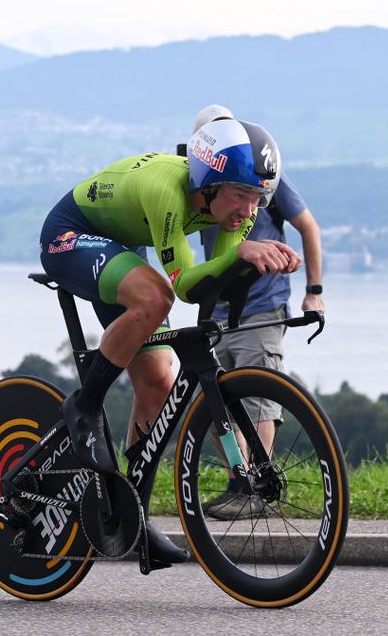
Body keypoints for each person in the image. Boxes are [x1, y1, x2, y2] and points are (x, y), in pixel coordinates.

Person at [39, 118, 301, 566]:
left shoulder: (241, 210)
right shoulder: (168, 190)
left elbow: (211, 280)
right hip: (71, 233)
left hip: (122, 246)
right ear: (209, 183)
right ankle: (84, 407)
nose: (248, 208)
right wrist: (240, 254)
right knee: (155, 297)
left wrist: (248, 264)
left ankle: (128, 517)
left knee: (159, 378)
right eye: (240, 194)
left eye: (258, 196)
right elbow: (182, 286)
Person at [188, 105, 325, 521]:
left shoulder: (263, 176)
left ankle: (259, 490)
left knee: (260, 399)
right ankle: (240, 484)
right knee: (212, 403)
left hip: (263, 304)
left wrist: (314, 292)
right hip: (219, 309)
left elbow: (309, 227)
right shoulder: (198, 184)